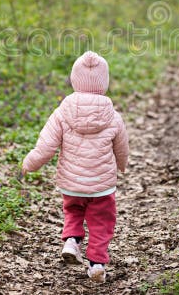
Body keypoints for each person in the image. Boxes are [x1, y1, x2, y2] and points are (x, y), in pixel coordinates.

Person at [22, 51, 129, 284]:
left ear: (74, 80)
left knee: (73, 211)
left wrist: (29, 164)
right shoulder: (113, 116)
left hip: (71, 184)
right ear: (104, 82)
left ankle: (72, 241)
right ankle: (97, 264)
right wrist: (122, 166)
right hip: (101, 186)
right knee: (101, 222)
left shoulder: (62, 112)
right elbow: (121, 147)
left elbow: (46, 146)